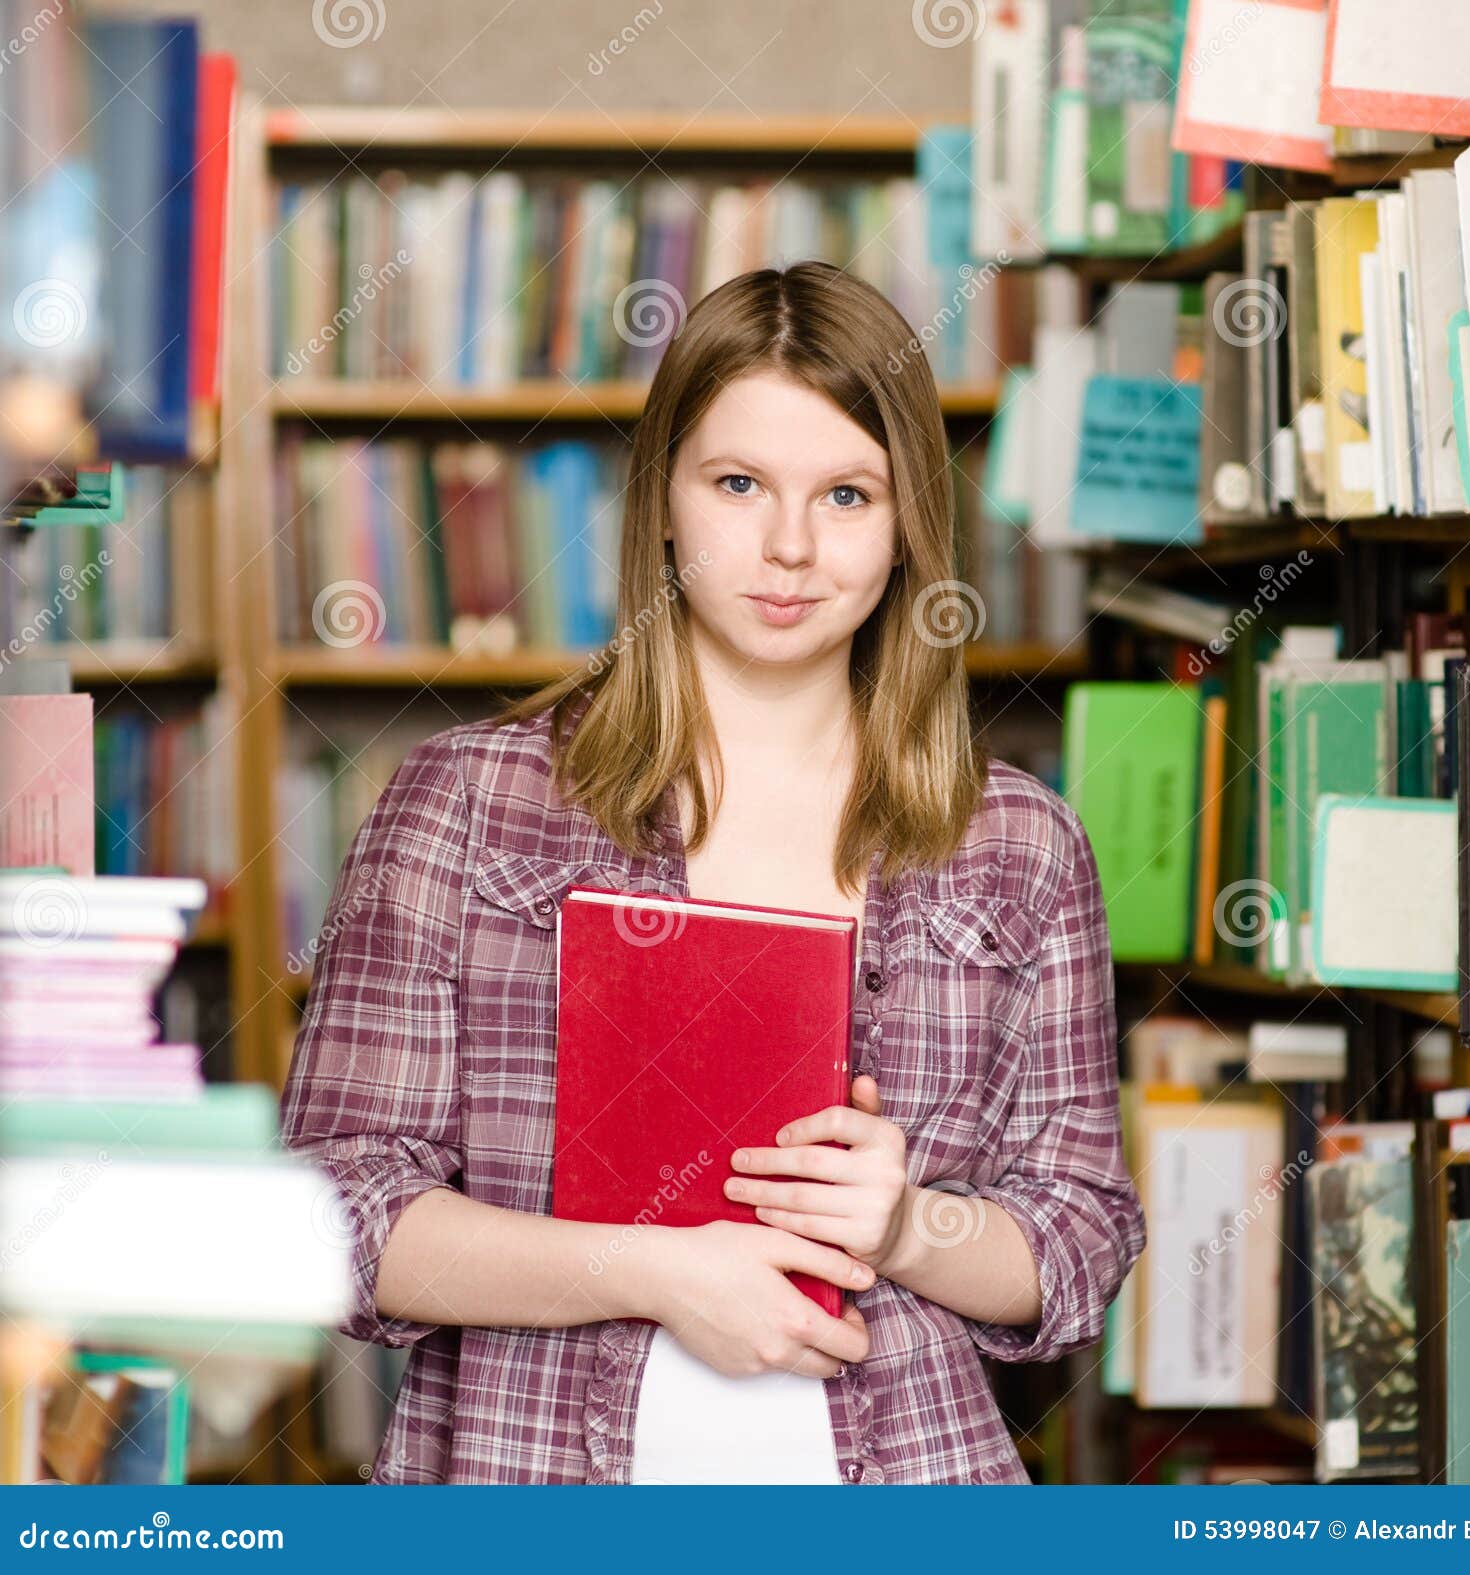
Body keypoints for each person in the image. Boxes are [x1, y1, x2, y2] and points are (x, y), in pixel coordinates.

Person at [279, 260, 1146, 1485]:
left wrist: (907, 1228)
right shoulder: (467, 806)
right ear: (665, 503)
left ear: (908, 530)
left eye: (847, 495)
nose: (790, 547)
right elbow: (335, 1212)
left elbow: (1077, 1240)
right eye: (739, 483)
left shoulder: (1016, 841)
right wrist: (650, 1271)